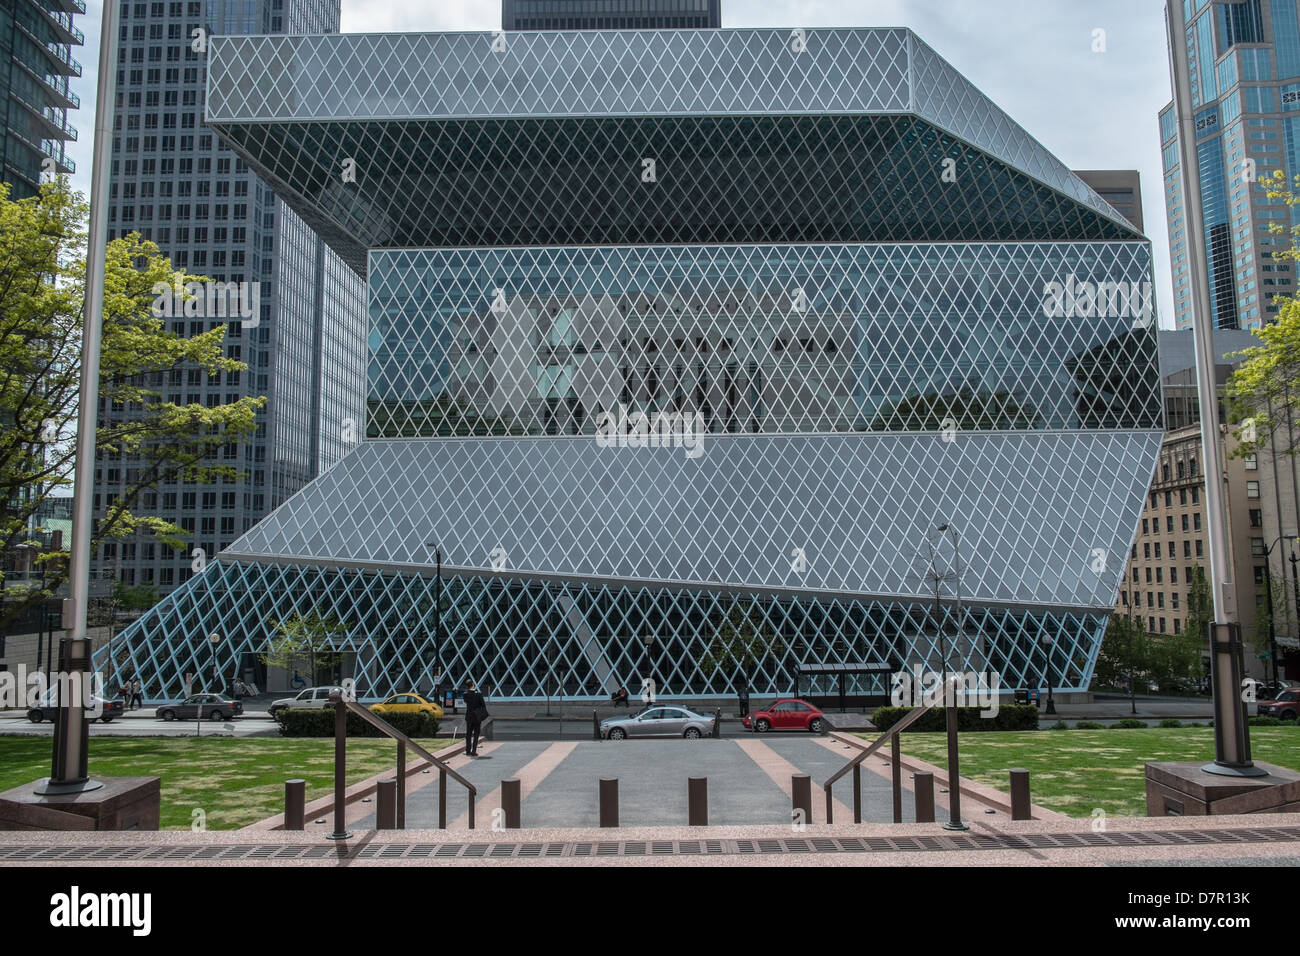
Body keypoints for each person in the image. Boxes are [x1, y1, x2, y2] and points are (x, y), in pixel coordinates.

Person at [462, 679, 488, 757]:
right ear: (473, 684)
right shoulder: (479, 694)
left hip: (469, 716)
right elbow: (483, 705)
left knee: (468, 734)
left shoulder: (465, 694)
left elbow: (466, 702)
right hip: (477, 716)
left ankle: (467, 751)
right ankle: (474, 751)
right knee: (476, 734)